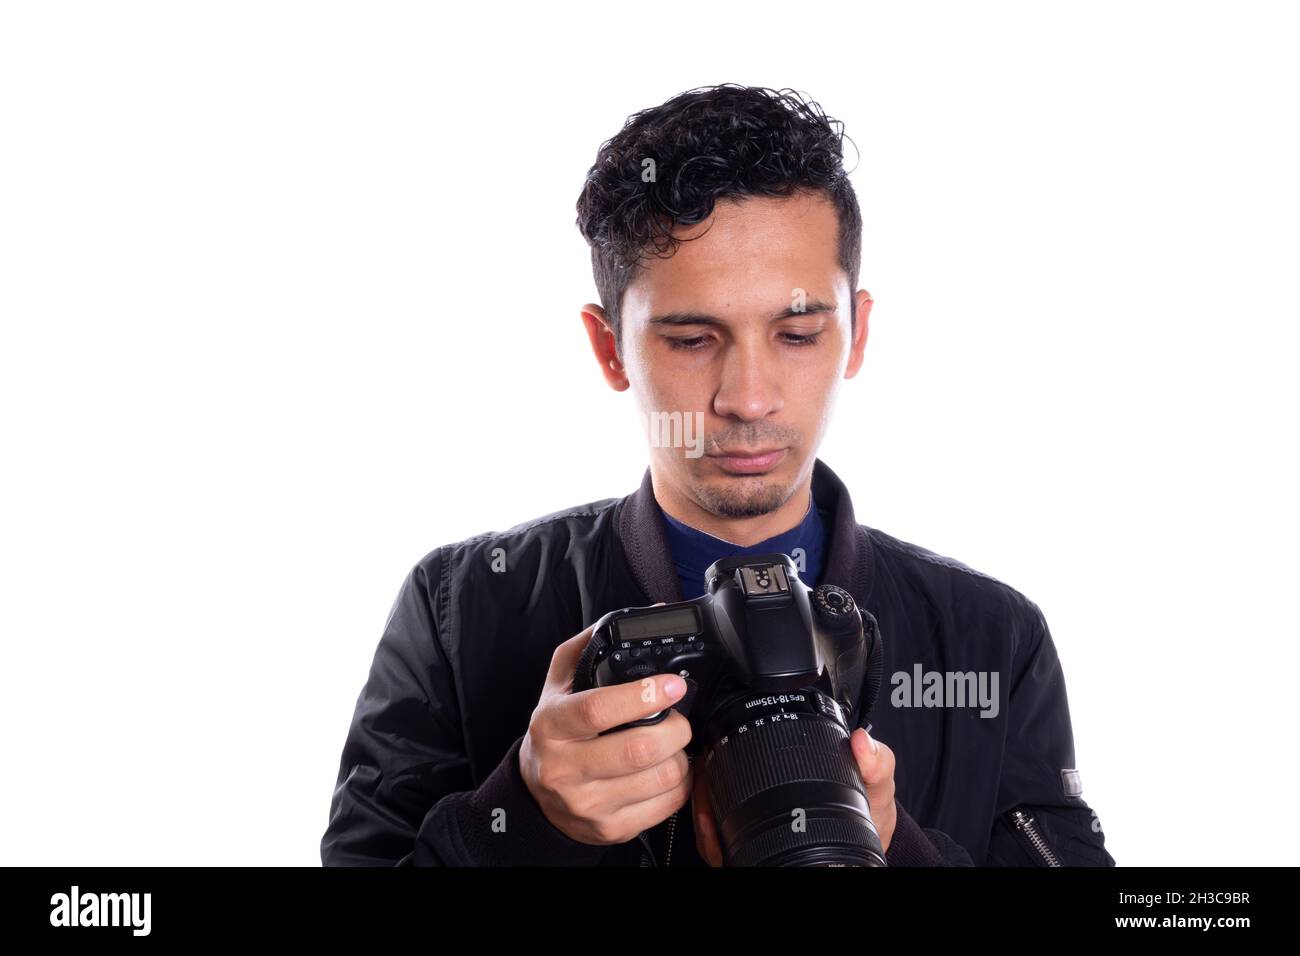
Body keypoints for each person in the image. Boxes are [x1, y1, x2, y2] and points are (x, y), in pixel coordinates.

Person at [320, 84, 1114, 867]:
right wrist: (524, 816)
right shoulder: (463, 610)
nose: (749, 399)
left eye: (798, 333)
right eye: (693, 339)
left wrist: (894, 848)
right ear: (610, 349)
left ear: (858, 333)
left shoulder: (991, 635)